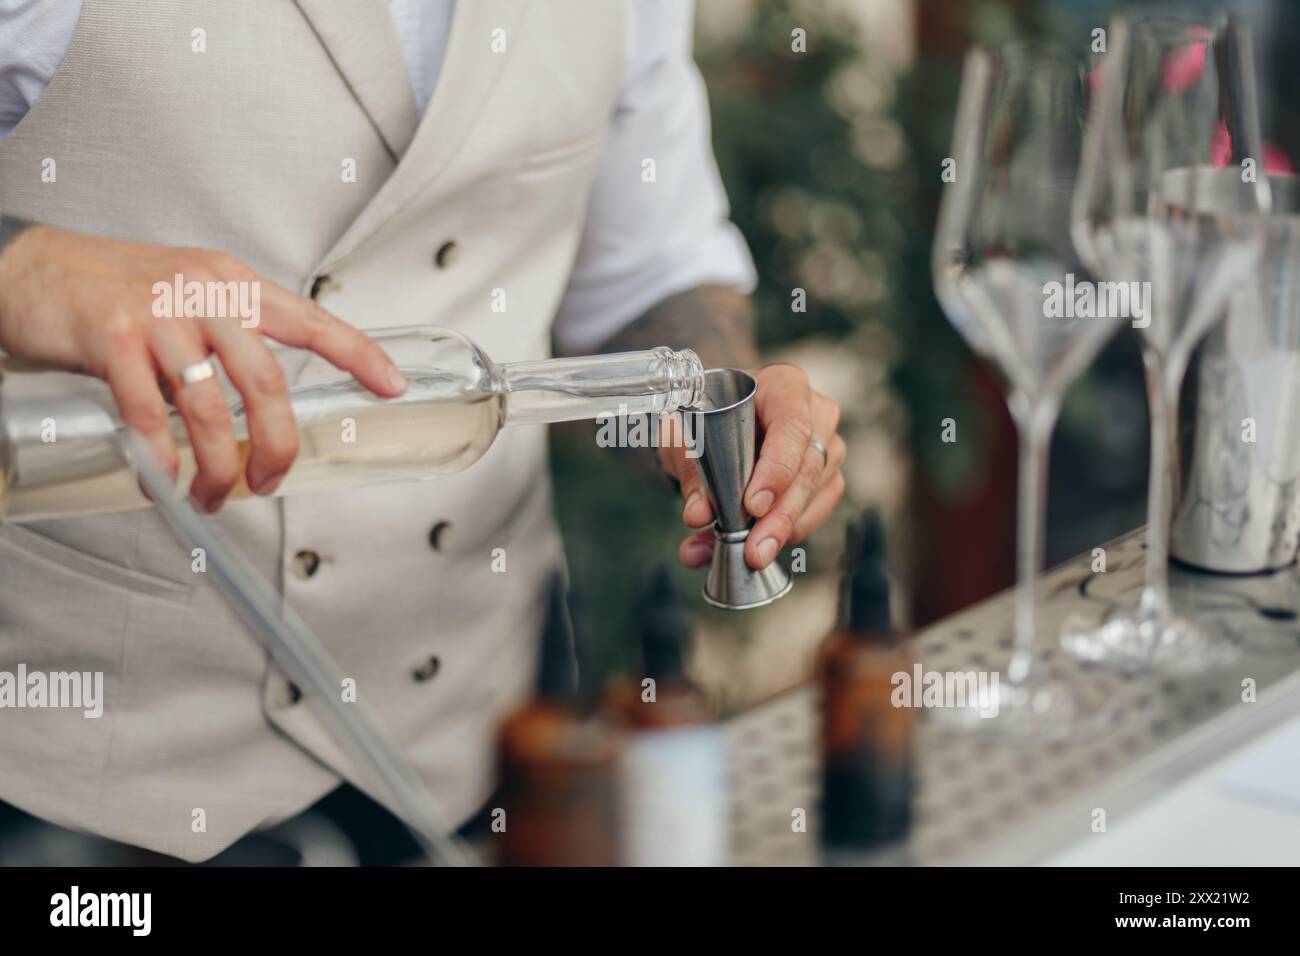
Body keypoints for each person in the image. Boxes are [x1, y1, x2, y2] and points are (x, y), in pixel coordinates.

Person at [0, 0, 845, 860]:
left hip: (477, 754)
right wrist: (22, 266)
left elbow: (648, 278)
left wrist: (725, 433)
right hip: (79, 788)